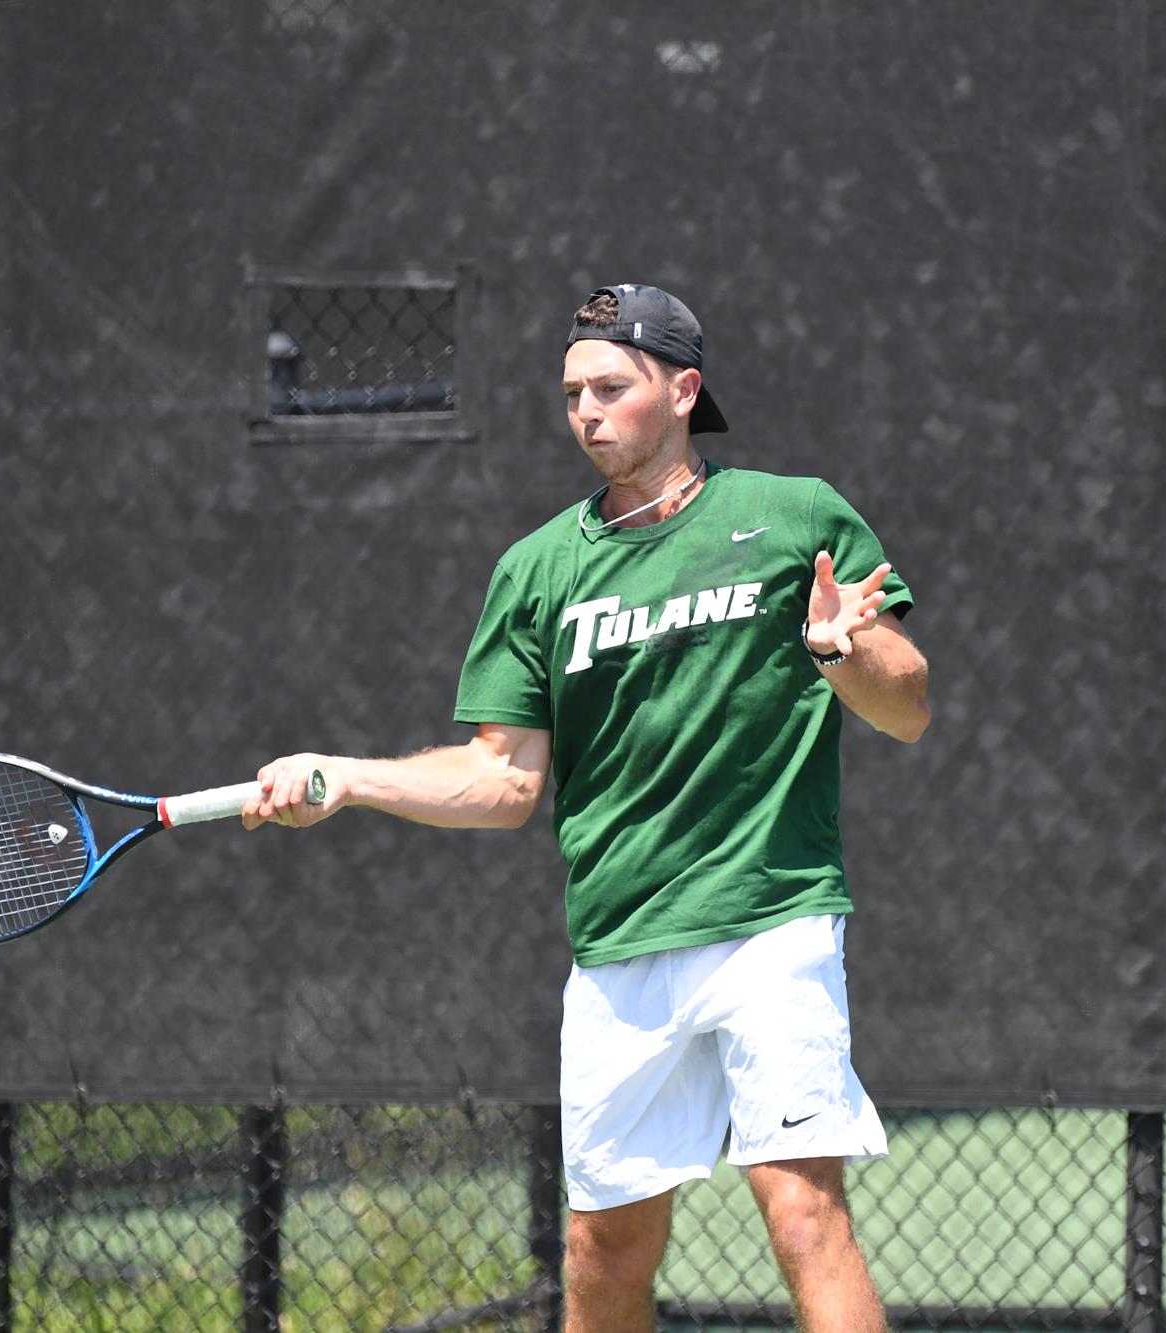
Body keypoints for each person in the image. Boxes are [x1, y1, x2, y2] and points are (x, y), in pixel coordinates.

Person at [241, 283, 929, 1331]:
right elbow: (503, 780)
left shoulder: (797, 519)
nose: (586, 412)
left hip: (770, 918)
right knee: (600, 1252)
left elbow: (909, 707)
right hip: (617, 945)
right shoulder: (537, 571)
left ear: (683, 389)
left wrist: (839, 650)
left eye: (611, 387)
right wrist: (350, 775)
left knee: (799, 1208)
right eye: (571, 394)